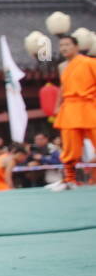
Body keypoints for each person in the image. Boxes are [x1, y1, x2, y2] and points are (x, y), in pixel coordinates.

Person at [49, 34, 96, 191]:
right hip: (69, 108)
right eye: (61, 45)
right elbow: (63, 88)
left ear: (76, 46)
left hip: (89, 106)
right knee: (70, 147)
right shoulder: (63, 66)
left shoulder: (89, 62)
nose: (64, 48)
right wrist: (57, 105)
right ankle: (70, 179)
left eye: (67, 44)